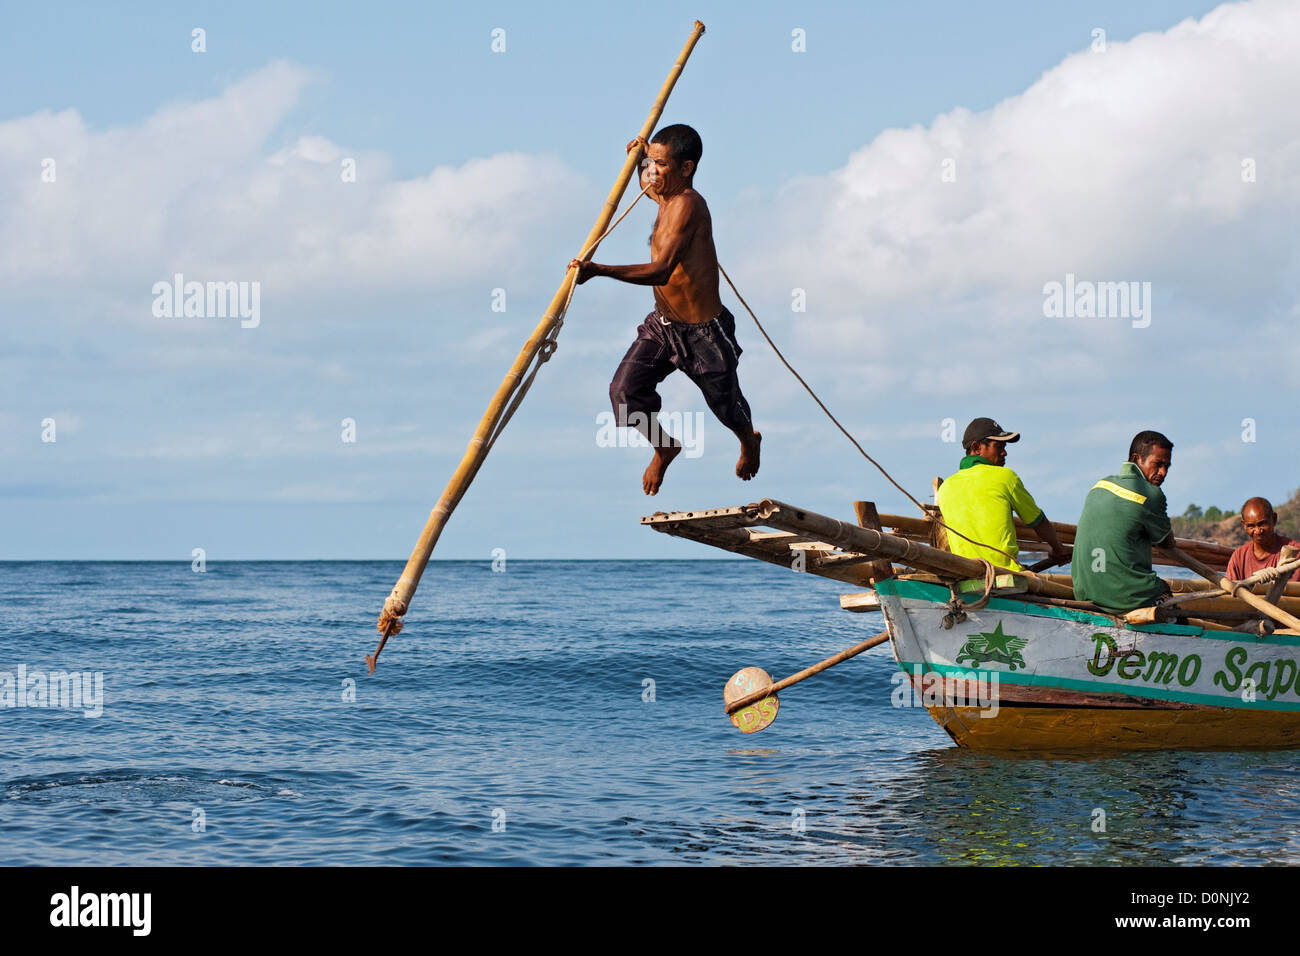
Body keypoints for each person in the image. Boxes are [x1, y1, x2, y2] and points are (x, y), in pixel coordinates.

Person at [569, 124, 760, 496]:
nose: (652, 171)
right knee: (624, 393)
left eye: (661, 164)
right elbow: (644, 183)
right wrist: (637, 157)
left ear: (686, 167)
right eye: (650, 163)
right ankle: (664, 446)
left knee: (727, 408)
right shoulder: (663, 195)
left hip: (704, 331)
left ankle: (749, 441)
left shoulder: (688, 205)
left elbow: (660, 271)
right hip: (663, 326)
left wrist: (598, 270)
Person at [935, 418, 1068, 572]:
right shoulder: (1006, 477)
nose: (1004, 452)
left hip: (965, 574)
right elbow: (1037, 521)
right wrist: (1059, 549)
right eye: (998, 446)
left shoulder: (946, 487)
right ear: (976, 447)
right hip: (1004, 573)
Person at [1072, 431, 1175, 613]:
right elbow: (1167, 544)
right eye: (1158, 465)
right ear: (1136, 459)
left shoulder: (1100, 486)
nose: (1163, 473)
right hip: (1125, 597)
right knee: (1167, 596)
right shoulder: (1151, 494)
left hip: (1083, 591)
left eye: (1167, 466)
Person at [1224, 497, 1300, 583]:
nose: (1257, 531)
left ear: (1274, 519)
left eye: (1262, 524)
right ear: (1244, 525)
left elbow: (1292, 592)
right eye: (1251, 526)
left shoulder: (1296, 552)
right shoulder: (1239, 556)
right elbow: (1231, 590)